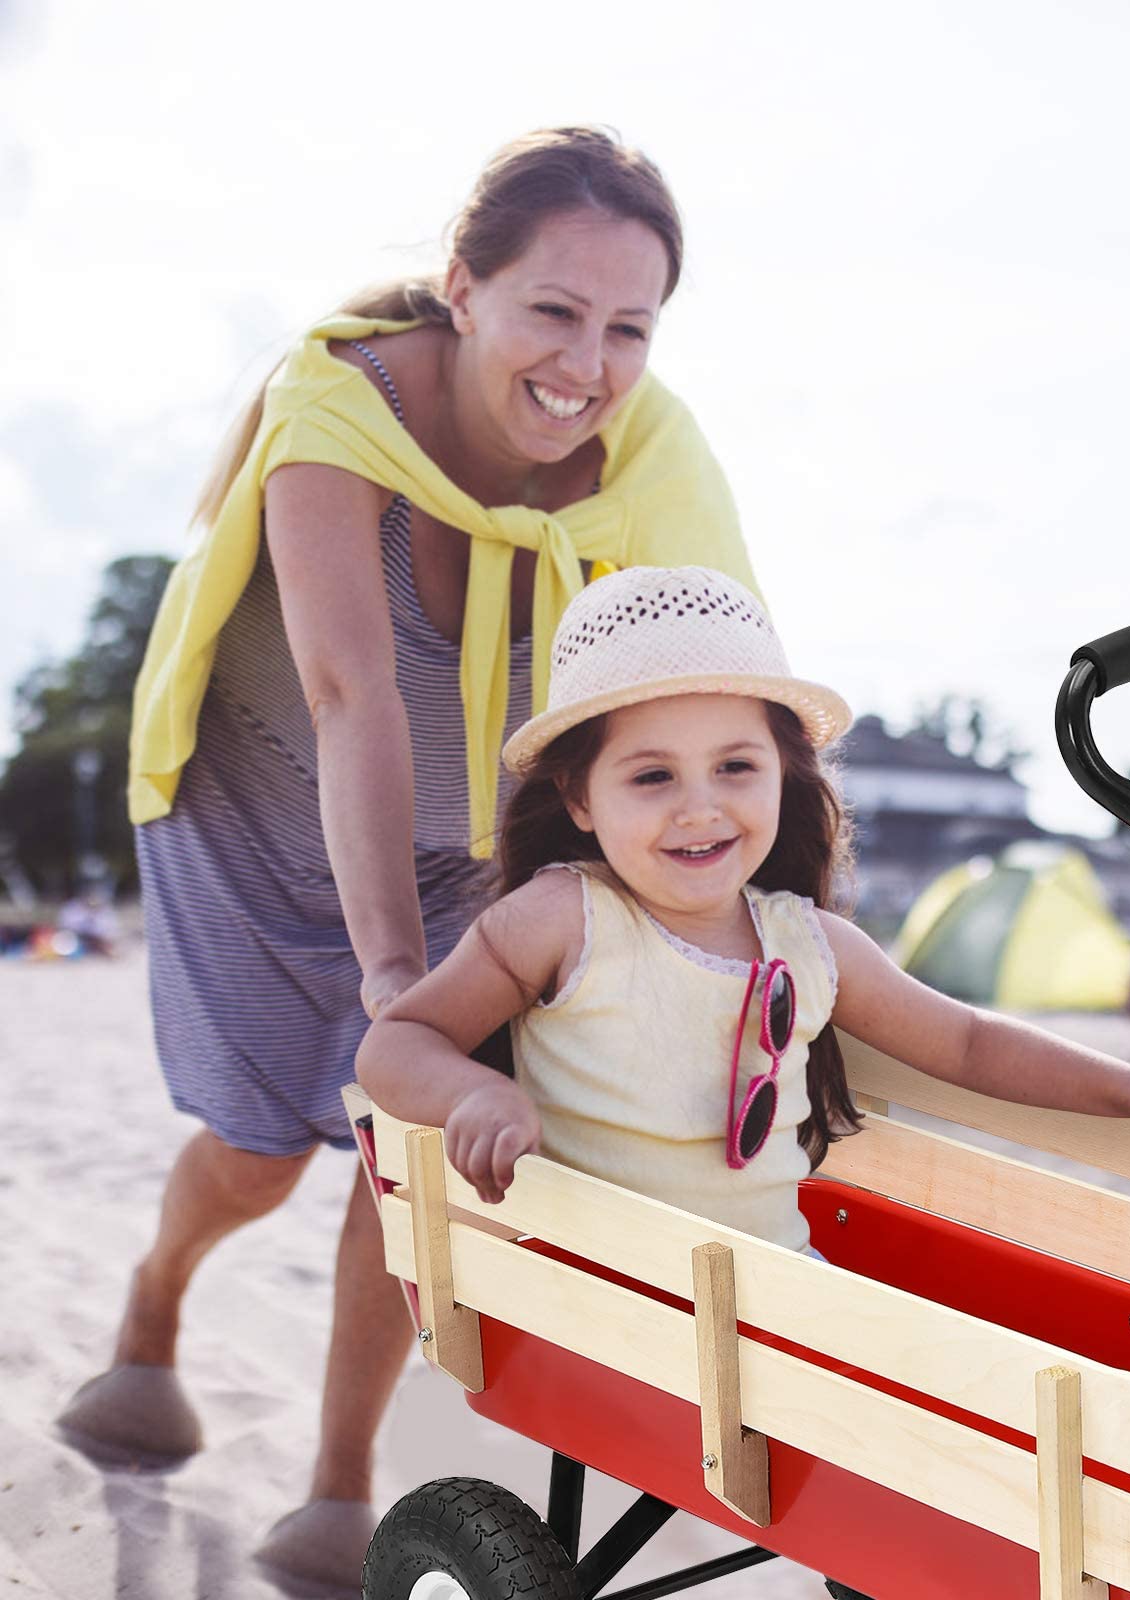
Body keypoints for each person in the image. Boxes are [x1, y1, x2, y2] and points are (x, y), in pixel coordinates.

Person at [57, 129, 757, 1588]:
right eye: (554, 310)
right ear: (463, 289)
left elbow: (730, 694)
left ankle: (334, 1485)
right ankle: (153, 1308)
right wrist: (391, 981)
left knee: (409, 1152)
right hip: (253, 803)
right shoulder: (340, 407)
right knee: (257, 1155)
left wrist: (785, 957)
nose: (590, 361)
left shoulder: (650, 458)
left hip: (469, 846)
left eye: (631, 326)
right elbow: (349, 697)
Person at [358, 565, 1130, 1271]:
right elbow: (396, 1045)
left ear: (786, 775)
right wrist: (475, 1092)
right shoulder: (565, 916)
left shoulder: (810, 945)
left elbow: (970, 1044)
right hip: (596, 1288)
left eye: (737, 767)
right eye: (652, 776)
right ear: (580, 799)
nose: (700, 808)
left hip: (774, 1292)